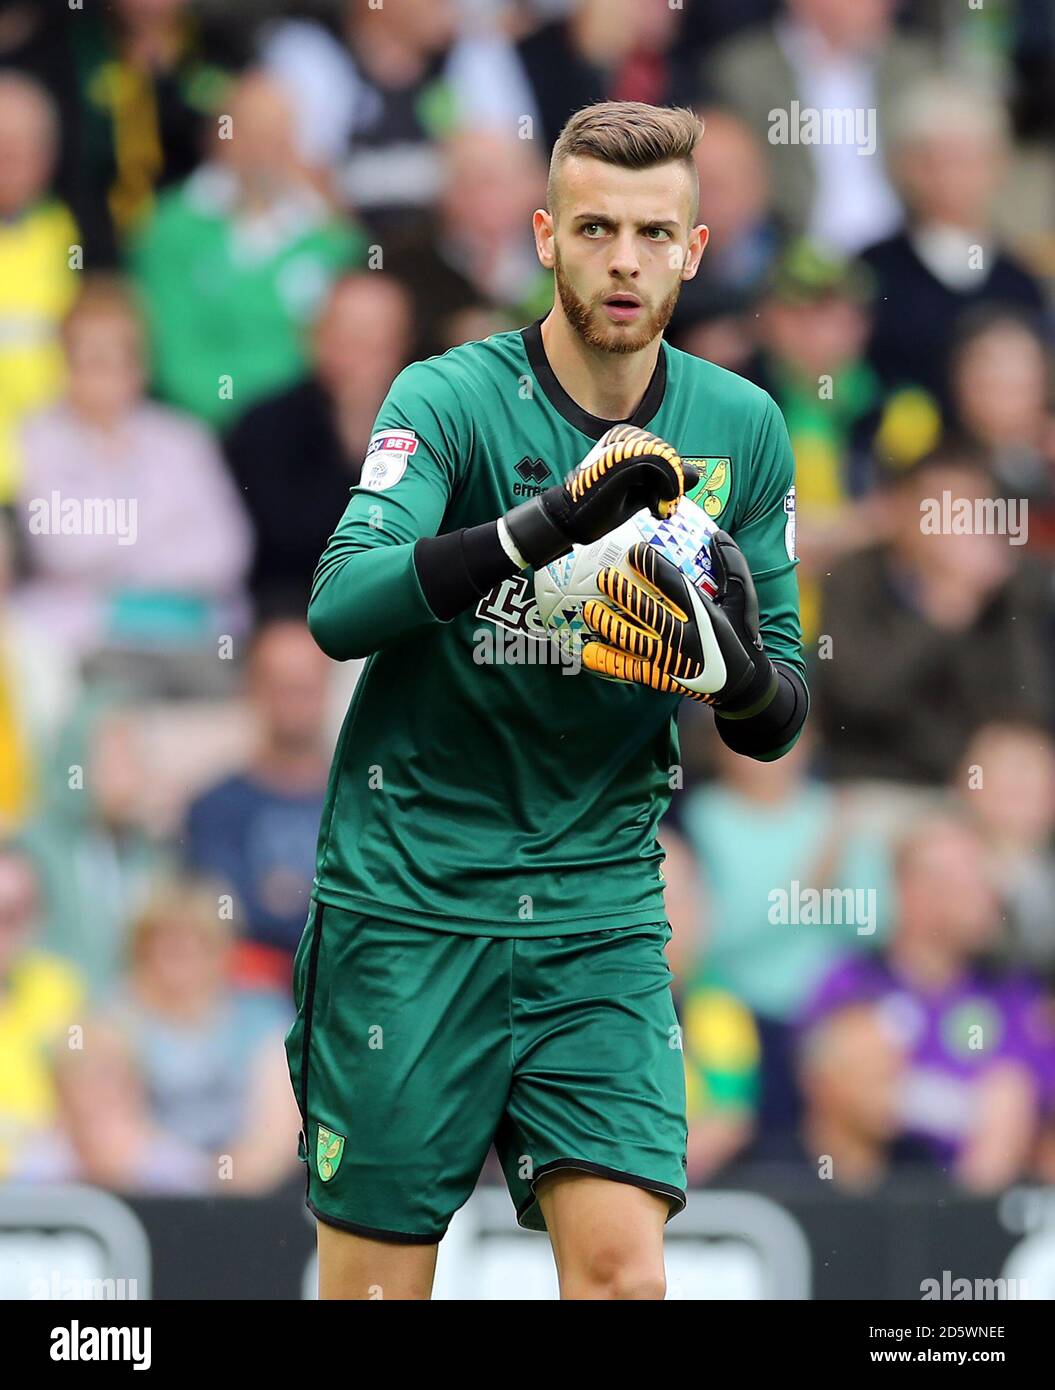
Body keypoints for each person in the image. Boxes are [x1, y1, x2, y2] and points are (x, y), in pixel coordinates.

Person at [286, 101, 806, 1300]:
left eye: (649, 233)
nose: (621, 260)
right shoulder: (447, 398)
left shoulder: (740, 428)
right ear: (544, 237)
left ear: (693, 248)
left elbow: (775, 716)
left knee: (623, 1277)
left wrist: (728, 669)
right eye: (592, 228)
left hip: (597, 910)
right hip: (409, 900)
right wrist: (541, 529)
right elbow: (338, 607)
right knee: (372, 1292)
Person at [800, 816, 1055, 1192]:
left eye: (987, 881)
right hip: (864, 1189)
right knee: (853, 1051)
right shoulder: (853, 981)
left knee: (1010, 1097)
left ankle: (961, 1233)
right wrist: (963, 1108)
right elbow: (827, 1091)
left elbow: (1032, 1111)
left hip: (982, 1196)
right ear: (912, 891)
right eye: (969, 882)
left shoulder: (1014, 996)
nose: (989, 896)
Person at [224, 272, 414, 617]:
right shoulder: (265, 423)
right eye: (350, 337)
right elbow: (285, 544)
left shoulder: (427, 420)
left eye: (377, 342)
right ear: (317, 337)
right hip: (294, 608)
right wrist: (354, 442)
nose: (363, 357)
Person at [861, 77, 1048, 410]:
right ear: (901, 167)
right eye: (931, 160)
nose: (949, 178)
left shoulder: (1019, 282)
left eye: (966, 160)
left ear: (998, 166)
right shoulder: (870, 271)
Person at [183, 620, 332, 991]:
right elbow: (227, 916)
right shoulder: (214, 807)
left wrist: (286, 894)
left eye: (306, 687)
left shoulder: (365, 798)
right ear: (253, 690)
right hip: (247, 996)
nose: (295, 701)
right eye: (281, 687)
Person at [0, 72, 80, 504]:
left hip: (61, 473)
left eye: (22, 144)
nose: (8, 157)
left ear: (47, 155)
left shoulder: (68, 234)